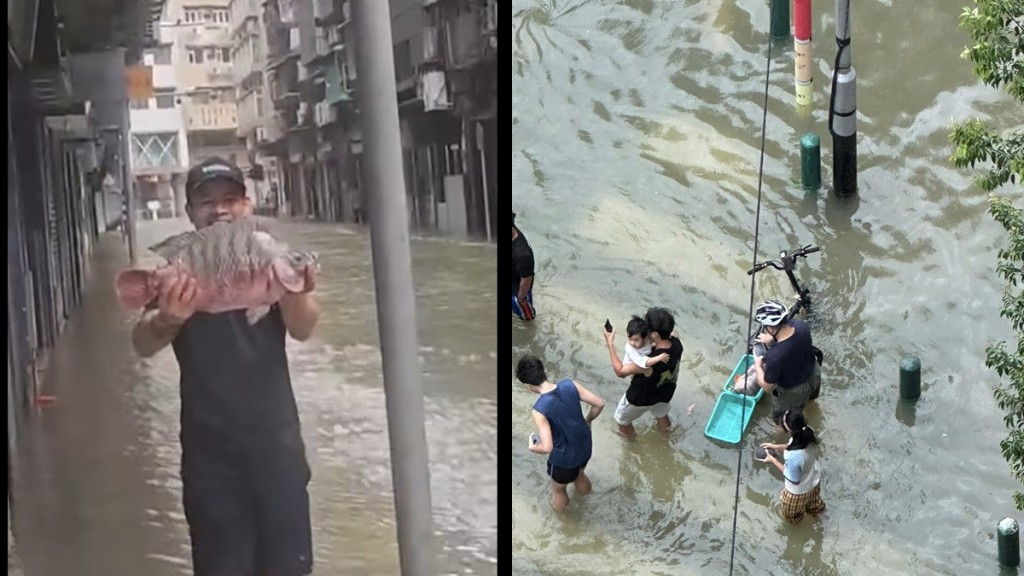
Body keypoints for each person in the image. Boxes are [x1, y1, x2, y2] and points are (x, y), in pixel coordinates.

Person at [130, 156, 321, 576]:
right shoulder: (181, 271)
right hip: (209, 459)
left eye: (230, 199)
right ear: (189, 214)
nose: (219, 209)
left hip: (278, 450)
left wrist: (290, 288)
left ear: (247, 206)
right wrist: (168, 318)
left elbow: (304, 328)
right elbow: (141, 343)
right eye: (206, 202)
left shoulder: (269, 253)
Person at [516, 354, 605, 512]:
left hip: (564, 459)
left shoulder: (539, 409)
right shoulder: (570, 385)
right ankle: (588, 501)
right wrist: (588, 420)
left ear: (528, 385)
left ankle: (563, 520)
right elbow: (599, 404)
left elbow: (547, 447)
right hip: (584, 445)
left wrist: (533, 447)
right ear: (543, 371)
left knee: (558, 489)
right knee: (579, 475)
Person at [603, 307, 687, 436]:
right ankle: (666, 440)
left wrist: (610, 343)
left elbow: (620, 372)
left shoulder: (649, 360)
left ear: (655, 334)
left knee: (622, 420)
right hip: (664, 391)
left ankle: (632, 445)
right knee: (661, 414)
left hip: (640, 398)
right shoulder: (677, 344)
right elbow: (671, 333)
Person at [752, 299, 820, 426]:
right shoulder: (801, 327)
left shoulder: (774, 357)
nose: (764, 329)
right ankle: (814, 415)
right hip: (813, 375)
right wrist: (773, 340)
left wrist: (758, 365)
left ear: (771, 327)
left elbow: (768, 387)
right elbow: (791, 345)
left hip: (794, 390)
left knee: (782, 423)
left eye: (765, 327)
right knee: (811, 402)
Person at [757, 409, 826, 523]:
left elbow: (794, 479)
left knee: (792, 518)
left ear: (786, 430)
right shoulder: (808, 432)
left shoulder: (793, 457)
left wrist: (772, 460)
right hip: (814, 480)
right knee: (816, 508)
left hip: (798, 492)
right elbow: (795, 445)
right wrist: (776, 446)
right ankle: (823, 521)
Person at [511, 212, 536, 321]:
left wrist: (521, 299)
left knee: (527, 320)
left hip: (517, 290)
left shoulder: (523, 255)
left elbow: (526, 281)